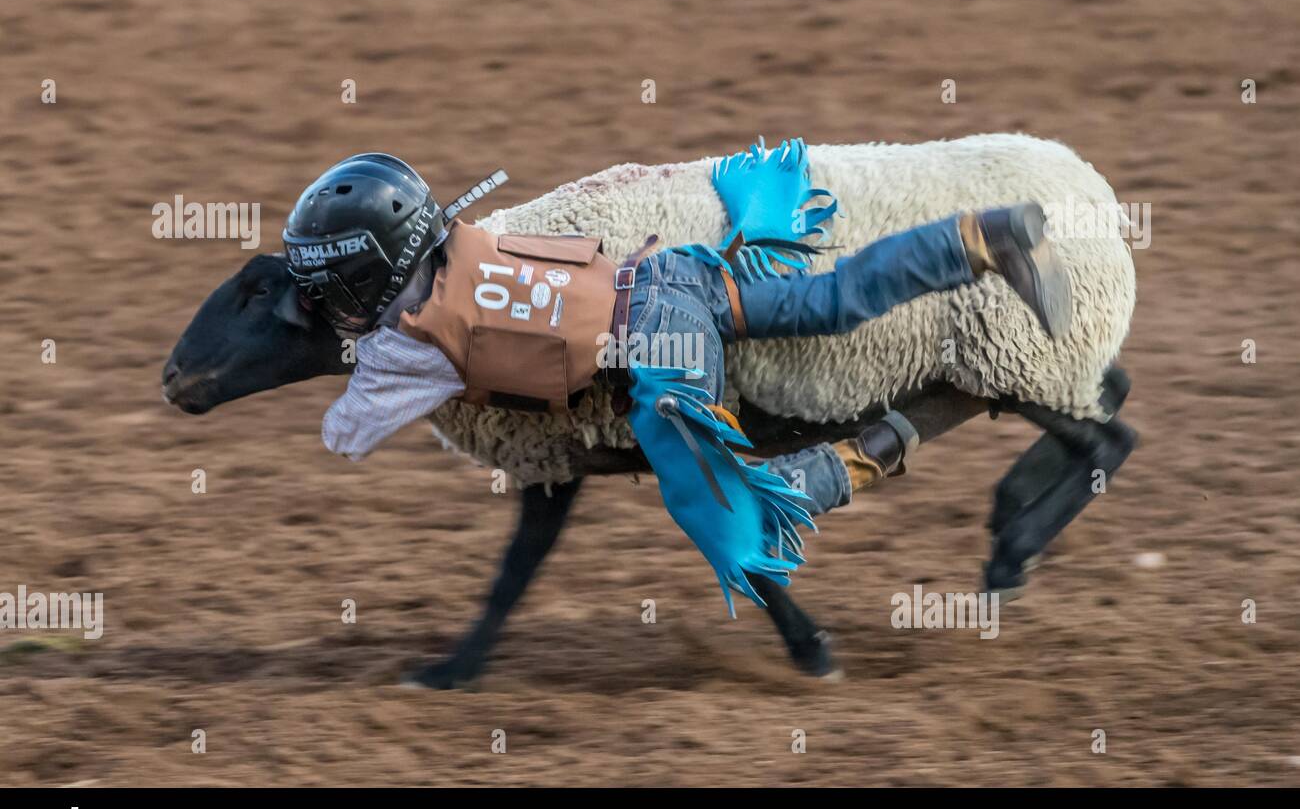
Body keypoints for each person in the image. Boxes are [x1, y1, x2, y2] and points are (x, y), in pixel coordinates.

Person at [283, 146, 1072, 611]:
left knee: (729, 518)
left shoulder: (416, 345)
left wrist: (355, 348)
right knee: (833, 299)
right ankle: (978, 236)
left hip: (658, 349)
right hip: (668, 276)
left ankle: (872, 451)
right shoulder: (470, 237)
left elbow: (345, 431)